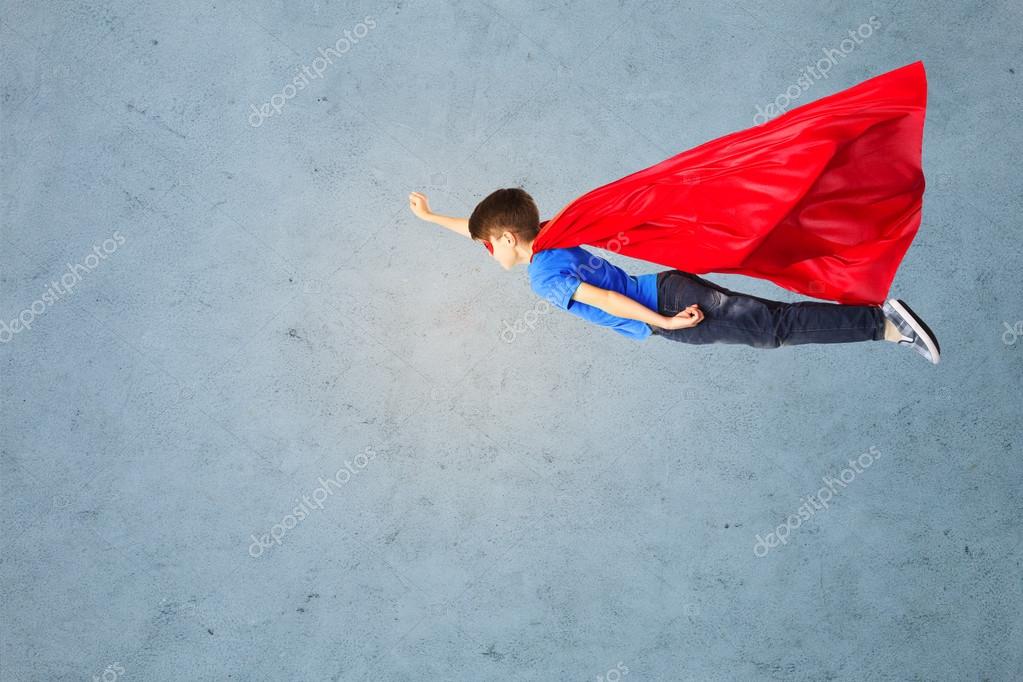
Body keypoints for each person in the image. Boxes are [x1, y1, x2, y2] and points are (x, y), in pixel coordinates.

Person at [408, 187, 940, 364]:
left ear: (504, 239)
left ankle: (884, 324)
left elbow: (607, 301)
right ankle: (880, 323)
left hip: (669, 305)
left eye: (485, 245)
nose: (483, 250)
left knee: (774, 328)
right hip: (669, 287)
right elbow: (490, 225)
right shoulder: (550, 234)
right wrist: (433, 219)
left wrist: (662, 321)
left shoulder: (543, 277)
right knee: (771, 326)